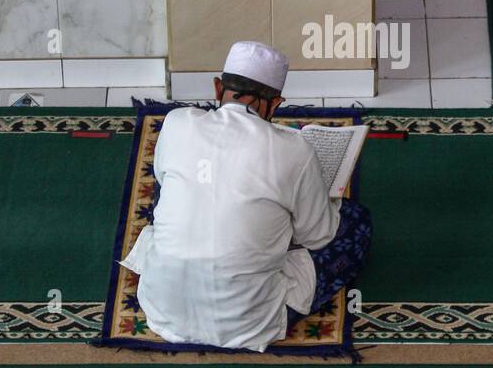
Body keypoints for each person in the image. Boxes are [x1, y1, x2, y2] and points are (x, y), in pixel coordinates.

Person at [120, 41, 372, 351]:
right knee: (355, 222)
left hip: (162, 308)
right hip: (251, 320)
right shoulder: (295, 150)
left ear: (217, 88)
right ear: (275, 103)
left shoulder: (176, 123)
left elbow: (161, 182)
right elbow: (316, 236)